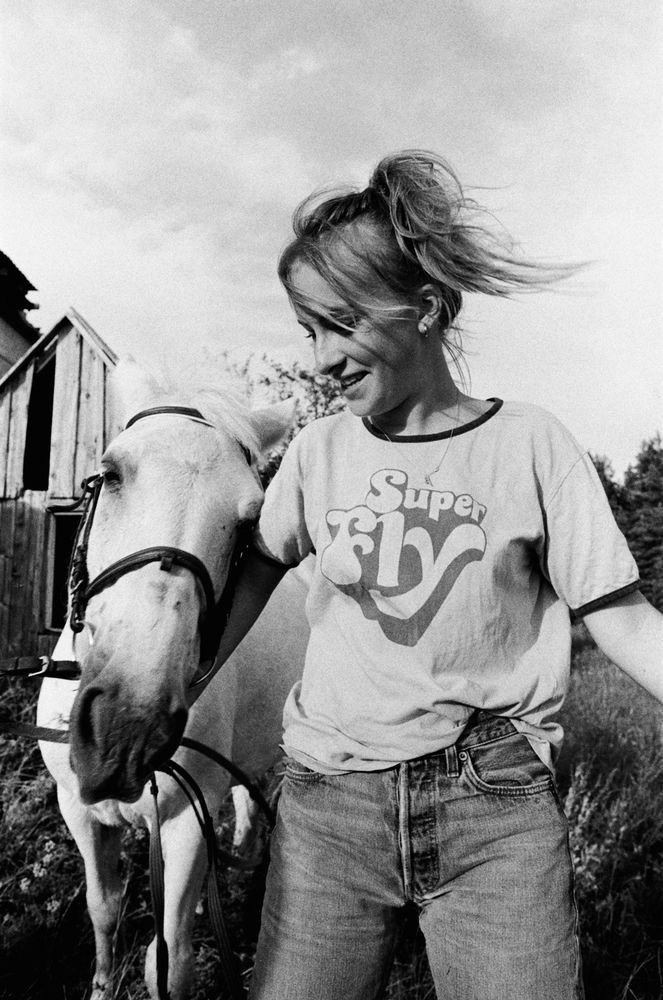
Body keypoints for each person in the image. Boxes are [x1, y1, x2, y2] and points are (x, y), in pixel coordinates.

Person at [206, 150, 663, 1000]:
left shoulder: (530, 444)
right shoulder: (317, 452)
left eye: (342, 323)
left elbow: (624, 618)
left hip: (494, 806)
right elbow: (253, 579)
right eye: (309, 331)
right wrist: (167, 696)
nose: (321, 358)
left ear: (423, 307)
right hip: (329, 804)